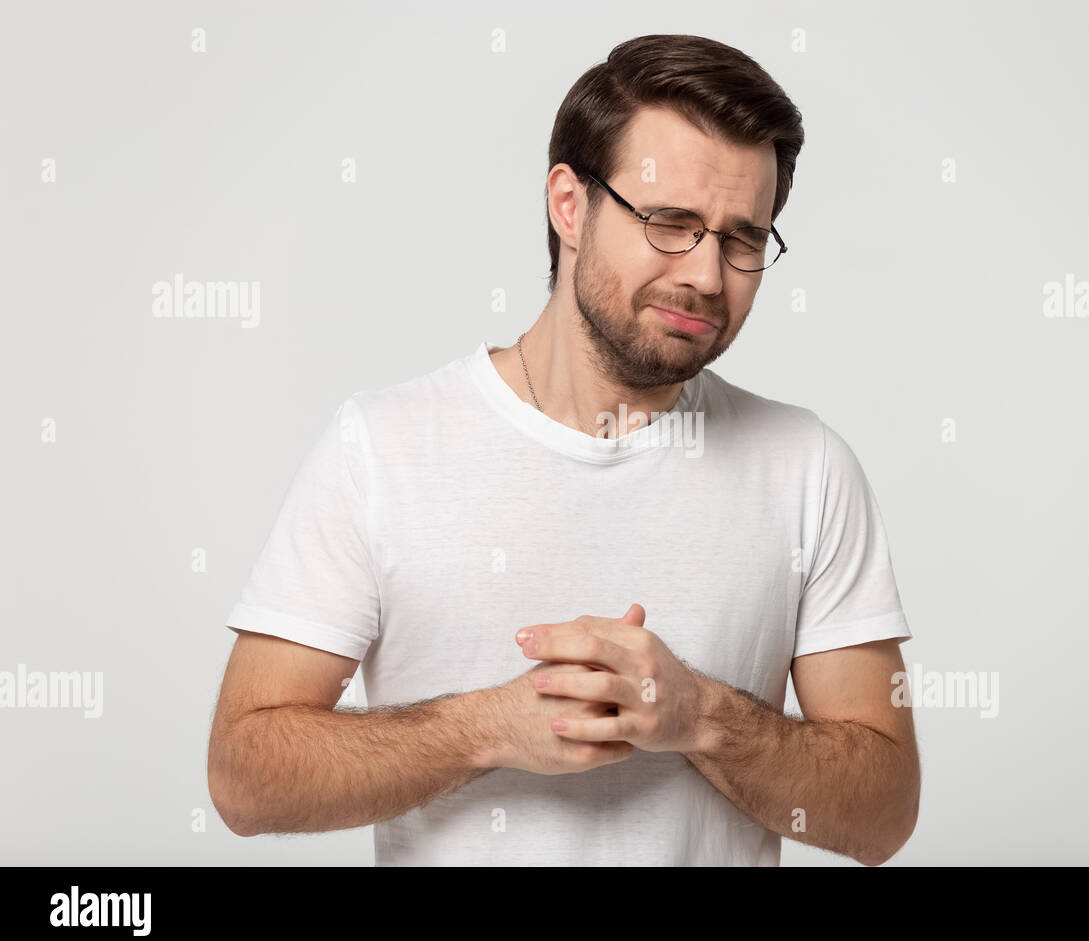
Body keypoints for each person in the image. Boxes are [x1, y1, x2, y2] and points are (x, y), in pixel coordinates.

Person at [208, 33, 919, 866]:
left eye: (741, 239)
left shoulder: (808, 467)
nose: (705, 274)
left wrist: (699, 719)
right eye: (669, 222)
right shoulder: (382, 447)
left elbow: (882, 816)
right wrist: (488, 728)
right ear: (569, 205)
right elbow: (244, 780)